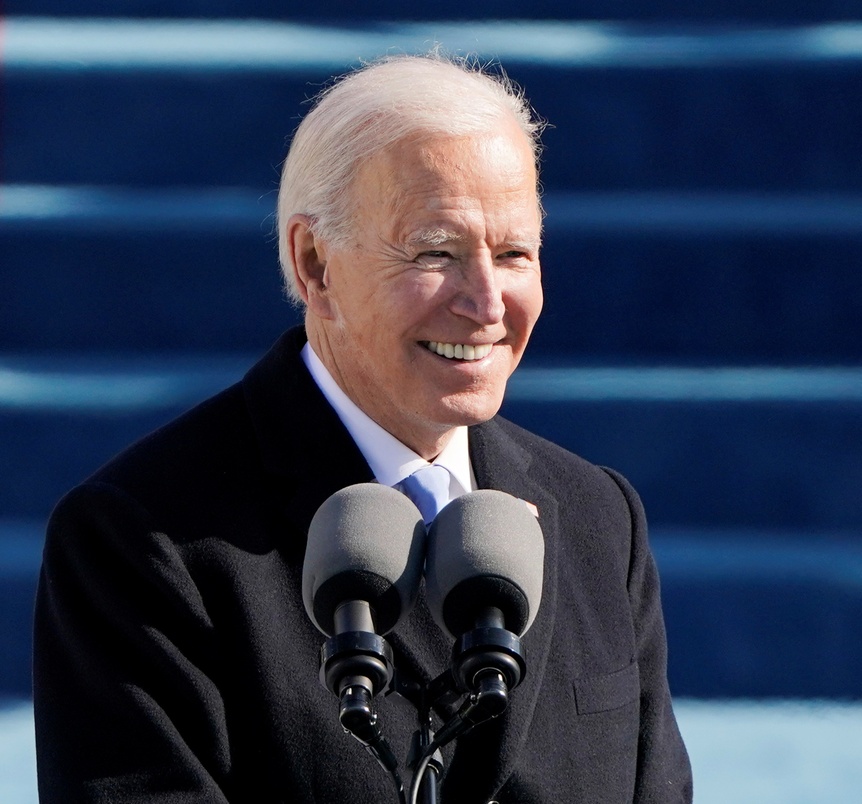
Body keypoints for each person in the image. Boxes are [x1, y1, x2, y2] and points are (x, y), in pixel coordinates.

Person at [33, 54, 692, 803]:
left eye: (513, 254)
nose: (486, 303)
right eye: (435, 253)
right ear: (314, 263)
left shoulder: (601, 519)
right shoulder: (143, 541)